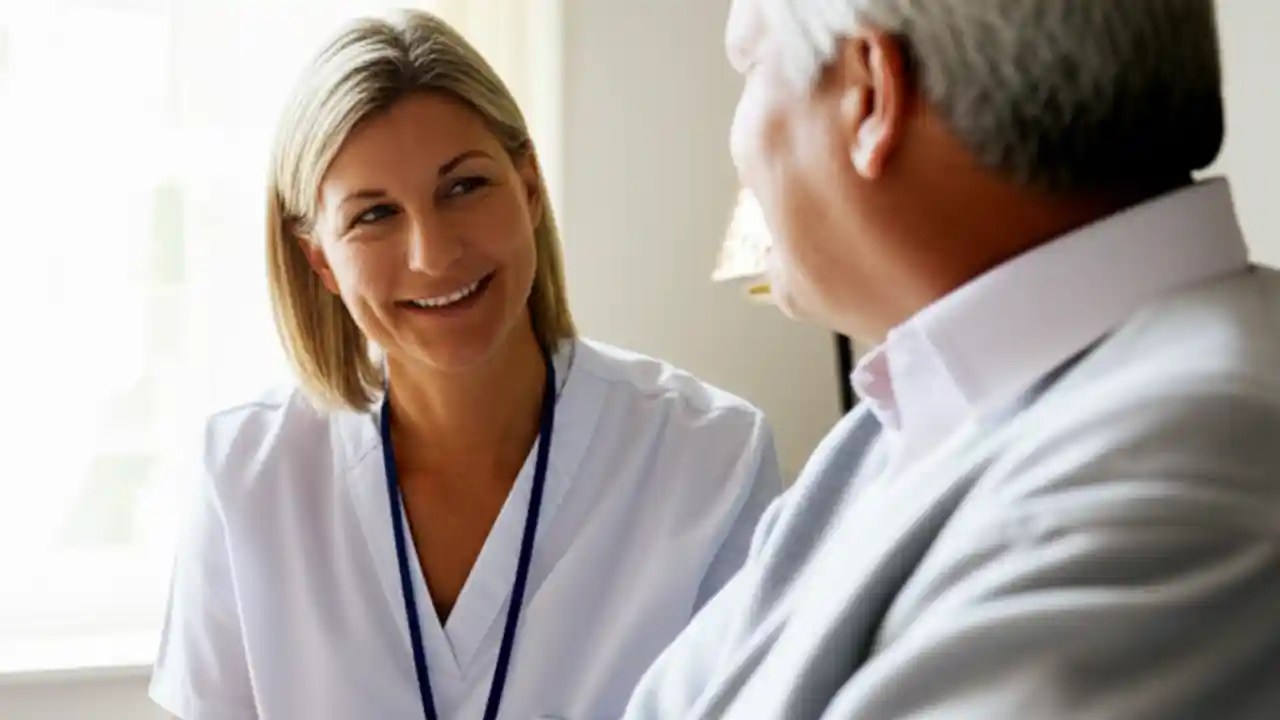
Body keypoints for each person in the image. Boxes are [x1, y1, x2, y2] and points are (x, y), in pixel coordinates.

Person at [624, 0, 1280, 717]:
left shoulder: (1188, 471)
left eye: (750, 67)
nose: (736, 145)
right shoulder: (892, 427)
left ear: (869, 95)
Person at [148, 10, 781, 720]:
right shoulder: (245, 472)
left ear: (530, 186)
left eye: (464, 187)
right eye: (374, 215)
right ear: (320, 258)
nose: (433, 253)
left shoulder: (711, 457)